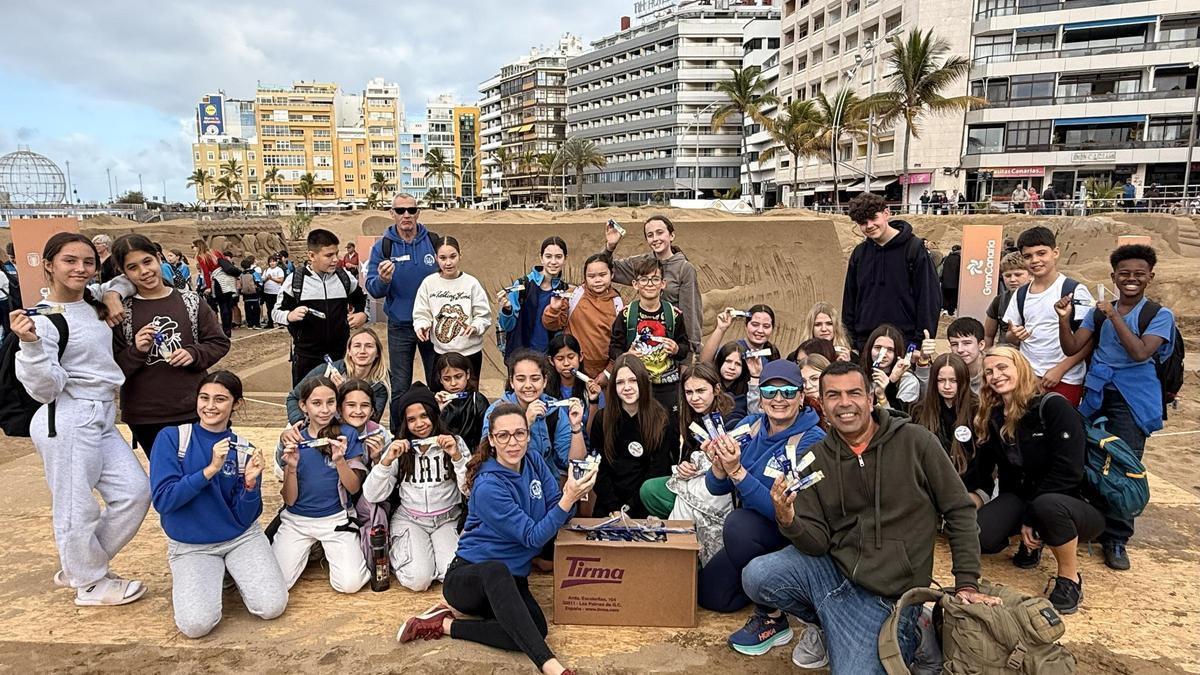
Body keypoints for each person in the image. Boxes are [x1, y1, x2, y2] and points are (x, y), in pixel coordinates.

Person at [739, 361, 991, 671]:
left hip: (889, 594)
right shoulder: (815, 458)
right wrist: (788, 518)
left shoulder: (916, 442)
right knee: (757, 576)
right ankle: (829, 623)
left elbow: (959, 510)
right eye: (833, 395)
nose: (844, 403)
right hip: (835, 574)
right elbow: (816, 543)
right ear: (822, 404)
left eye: (854, 393)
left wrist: (967, 583)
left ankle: (914, 627)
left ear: (870, 399)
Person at [396, 403, 594, 675]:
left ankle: (444, 625)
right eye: (503, 436)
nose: (513, 443)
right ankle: (553, 668)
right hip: (469, 579)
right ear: (491, 439)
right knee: (497, 571)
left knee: (536, 628)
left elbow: (558, 507)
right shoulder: (489, 485)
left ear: (528, 435)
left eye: (519, 434)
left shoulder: (533, 459)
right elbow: (533, 537)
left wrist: (569, 497)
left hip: (511, 578)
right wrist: (567, 499)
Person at [10, 232, 151, 606]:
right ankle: (89, 583)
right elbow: (44, 389)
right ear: (49, 265)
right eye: (70, 261)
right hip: (68, 415)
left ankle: (80, 566)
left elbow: (124, 280)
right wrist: (31, 346)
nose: (81, 269)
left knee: (135, 493)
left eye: (88, 262)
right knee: (76, 506)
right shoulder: (41, 321)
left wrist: (111, 292)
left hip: (102, 413)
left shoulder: (91, 300)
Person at [1056, 244, 1176, 571]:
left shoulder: (1158, 315)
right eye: (1124, 274)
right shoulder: (1099, 312)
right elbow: (1072, 346)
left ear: (1150, 277)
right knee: (1084, 454)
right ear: (1113, 276)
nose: (1131, 279)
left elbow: (1139, 352)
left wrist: (1113, 315)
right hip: (1097, 390)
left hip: (1133, 397)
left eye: (1139, 274)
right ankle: (1090, 523)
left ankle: (1117, 538)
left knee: (1124, 463)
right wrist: (1064, 320)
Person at [149, 371, 288, 638]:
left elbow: (247, 515)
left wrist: (249, 485)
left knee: (272, 606)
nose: (210, 406)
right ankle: (214, 574)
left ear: (236, 404)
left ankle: (230, 571)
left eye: (220, 399)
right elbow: (164, 500)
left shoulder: (243, 448)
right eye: (204, 397)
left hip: (239, 538)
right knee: (196, 626)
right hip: (191, 545)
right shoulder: (173, 438)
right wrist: (209, 470)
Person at [973, 347, 1104, 614]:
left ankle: (1069, 578)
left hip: (1073, 504)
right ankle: (1032, 542)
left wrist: (1030, 518)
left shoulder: (1053, 407)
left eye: (1002, 368)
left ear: (1020, 368)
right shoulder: (996, 415)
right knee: (982, 535)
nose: (995, 376)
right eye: (989, 372)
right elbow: (997, 472)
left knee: (1048, 506)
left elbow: (1069, 472)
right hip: (1027, 499)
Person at [701, 360, 825, 621]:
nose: (779, 399)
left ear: (801, 397)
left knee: (737, 524)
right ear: (761, 397)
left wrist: (738, 472)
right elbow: (716, 487)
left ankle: (773, 610)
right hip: (752, 538)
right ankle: (760, 583)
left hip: (788, 535)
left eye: (788, 392)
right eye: (770, 391)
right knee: (710, 594)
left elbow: (780, 509)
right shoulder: (751, 425)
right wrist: (720, 467)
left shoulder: (812, 439)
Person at [110, 234, 230, 455]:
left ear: (158, 258)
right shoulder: (120, 312)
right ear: (123, 273)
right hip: (145, 415)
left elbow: (219, 343)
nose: (144, 271)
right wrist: (136, 350)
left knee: (205, 472)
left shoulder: (191, 301)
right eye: (133, 267)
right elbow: (113, 367)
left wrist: (193, 353)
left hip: (195, 409)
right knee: (168, 479)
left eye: (147, 262)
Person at [363, 384, 470, 591]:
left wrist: (456, 457)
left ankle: (429, 556)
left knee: (452, 574)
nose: (419, 424)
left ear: (434, 414)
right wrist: (385, 462)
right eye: (411, 419)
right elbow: (372, 494)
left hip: (447, 519)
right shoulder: (398, 447)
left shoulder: (454, 442)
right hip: (411, 519)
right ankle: (407, 553)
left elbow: (470, 491)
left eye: (424, 416)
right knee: (418, 581)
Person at [273, 376, 371, 593]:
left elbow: (354, 488)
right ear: (303, 406)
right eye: (316, 403)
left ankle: (326, 549)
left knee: (350, 584)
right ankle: (311, 549)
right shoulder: (293, 439)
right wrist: (290, 467)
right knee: (277, 584)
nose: (325, 410)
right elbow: (289, 500)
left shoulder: (347, 434)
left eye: (330, 402)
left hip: (335, 519)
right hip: (297, 520)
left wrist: (339, 461)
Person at [365, 193, 441, 430]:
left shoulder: (434, 241)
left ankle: (439, 431)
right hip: (399, 325)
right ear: (392, 214)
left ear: (418, 212)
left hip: (431, 326)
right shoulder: (382, 247)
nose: (406, 215)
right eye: (400, 210)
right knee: (399, 386)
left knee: (437, 383)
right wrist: (384, 280)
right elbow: (373, 289)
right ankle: (398, 436)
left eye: (411, 209)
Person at [639, 363, 739, 540]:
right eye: (689, 392)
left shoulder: (732, 416)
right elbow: (688, 454)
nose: (694, 398)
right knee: (649, 490)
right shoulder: (689, 414)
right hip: (694, 480)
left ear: (716, 390)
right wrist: (684, 465)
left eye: (701, 391)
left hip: (722, 487)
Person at [1003, 226, 1093, 406]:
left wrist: (1060, 370)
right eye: (1028, 256)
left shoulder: (1075, 291)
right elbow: (1010, 335)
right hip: (1027, 378)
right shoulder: (1020, 294)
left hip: (1066, 379)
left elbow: (1089, 340)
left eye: (1041, 253)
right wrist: (1015, 334)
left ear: (1055, 253)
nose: (1035, 260)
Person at [842, 193, 941, 352]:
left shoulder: (914, 249)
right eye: (863, 222)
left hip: (904, 344)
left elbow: (928, 299)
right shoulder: (859, 254)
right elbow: (850, 300)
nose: (869, 225)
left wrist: (918, 344)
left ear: (886, 213)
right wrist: (850, 341)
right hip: (865, 345)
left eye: (873, 218)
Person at [273, 228, 369, 386]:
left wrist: (362, 315)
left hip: (341, 354)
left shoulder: (344, 277)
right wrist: (289, 316)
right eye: (329, 255)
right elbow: (276, 312)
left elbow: (362, 300)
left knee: (340, 401)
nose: (335, 260)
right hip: (306, 356)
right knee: (305, 400)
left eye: (336, 253)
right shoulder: (296, 281)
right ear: (311, 255)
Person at [589, 355, 679, 518]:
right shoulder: (602, 419)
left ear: (643, 382)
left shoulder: (661, 418)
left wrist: (629, 509)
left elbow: (659, 470)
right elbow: (599, 469)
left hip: (645, 505)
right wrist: (614, 508)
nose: (627, 387)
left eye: (633, 380)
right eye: (620, 382)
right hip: (610, 506)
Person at [603, 215, 703, 355]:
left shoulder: (684, 269)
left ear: (671, 235)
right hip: (642, 344)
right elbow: (605, 270)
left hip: (671, 347)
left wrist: (690, 352)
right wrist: (610, 247)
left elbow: (691, 312)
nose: (655, 238)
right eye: (650, 235)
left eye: (660, 232)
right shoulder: (643, 263)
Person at [482, 350, 586, 476]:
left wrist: (576, 427)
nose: (528, 385)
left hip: (546, 484)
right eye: (521, 379)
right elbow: (487, 455)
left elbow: (574, 462)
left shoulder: (554, 409)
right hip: (507, 481)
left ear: (545, 381)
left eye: (535, 379)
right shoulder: (496, 411)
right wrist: (526, 422)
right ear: (511, 382)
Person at [608, 257, 691, 414]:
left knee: (668, 429)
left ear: (663, 284)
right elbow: (613, 348)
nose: (650, 284)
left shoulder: (674, 315)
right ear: (635, 284)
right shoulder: (625, 315)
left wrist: (676, 349)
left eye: (655, 279)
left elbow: (685, 347)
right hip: (635, 385)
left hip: (666, 385)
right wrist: (626, 355)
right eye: (644, 279)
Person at [913, 353, 990, 507]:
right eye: (941, 380)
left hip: (973, 485)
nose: (947, 386)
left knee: (960, 508)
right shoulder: (921, 411)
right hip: (932, 486)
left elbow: (984, 463)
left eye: (953, 381)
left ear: (963, 380)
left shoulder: (979, 410)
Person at [413, 235, 491, 383]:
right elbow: (421, 312)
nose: (448, 263)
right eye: (443, 258)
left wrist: (475, 327)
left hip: (470, 353)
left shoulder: (471, 283)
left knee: (468, 397)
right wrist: (422, 325)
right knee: (442, 397)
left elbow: (483, 315)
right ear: (436, 258)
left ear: (460, 255)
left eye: (452, 257)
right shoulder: (429, 283)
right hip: (441, 353)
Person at [541, 252, 624, 382]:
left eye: (602, 275)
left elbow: (620, 340)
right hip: (574, 368)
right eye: (591, 276)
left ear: (611, 275)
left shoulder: (617, 302)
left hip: (604, 371)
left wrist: (608, 372)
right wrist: (553, 310)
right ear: (584, 277)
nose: (597, 280)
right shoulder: (574, 296)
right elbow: (551, 325)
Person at [286, 327, 389, 425]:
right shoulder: (326, 371)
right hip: (314, 427)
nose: (362, 351)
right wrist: (299, 422)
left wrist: (341, 393)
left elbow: (369, 422)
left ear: (377, 353)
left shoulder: (380, 385)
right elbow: (294, 397)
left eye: (369, 346)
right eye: (357, 346)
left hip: (352, 436)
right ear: (349, 351)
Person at [497, 236, 569, 358]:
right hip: (520, 356)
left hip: (550, 358)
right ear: (541, 258)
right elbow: (507, 326)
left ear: (565, 259)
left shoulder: (565, 291)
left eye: (558, 257)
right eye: (548, 256)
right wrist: (507, 309)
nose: (553, 261)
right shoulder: (522, 285)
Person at [435, 352, 491, 451]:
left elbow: (486, 434)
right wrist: (436, 410)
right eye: (447, 379)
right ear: (440, 379)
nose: (453, 383)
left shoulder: (478, 400)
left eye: (458, 376)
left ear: (467, 374)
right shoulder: (435, 402)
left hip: (473, 454)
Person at [860, 324, 920, 412]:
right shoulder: (860, 375)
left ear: (897, 353)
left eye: (890, 350)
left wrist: (890, 383)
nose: (882, 354)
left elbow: (899, 418)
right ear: (869, 349)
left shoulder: (908, 381)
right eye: (878, 348)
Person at [700, 304, 781, 367]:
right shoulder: (733, 349)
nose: (760, 330)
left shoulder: (773, 354)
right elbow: (704, 364)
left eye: (766, 326)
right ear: (746, 326)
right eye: (755, 324)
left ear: (772, 329)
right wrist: (720, 329)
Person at [984, 252, 1031, 348]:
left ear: (1030, 275)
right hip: (1005, 354)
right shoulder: (999, 301)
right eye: (1008, 276)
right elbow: (988, 336)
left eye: (1018, 275)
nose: (1012, 279)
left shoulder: (1042, 298)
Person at [945, 317, 986, 395]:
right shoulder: (947, 366)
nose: (960, 349)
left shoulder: (994, 369)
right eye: (954, 344)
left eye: (966, 343)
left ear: (981, 345)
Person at [238, 257, 262, 330]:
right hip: (254, 293)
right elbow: (260, 282)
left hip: (245, 294)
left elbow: (240, 284)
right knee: (256, 309)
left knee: (247, 309)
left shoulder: (242, 274)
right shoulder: (254, 273)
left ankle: (250, 324)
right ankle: (257, 324)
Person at [262, 255, 285, 329]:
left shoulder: (279, 270)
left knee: (277, 307)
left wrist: (271, 278)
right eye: (270, 262)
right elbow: (263, 280)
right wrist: (267, 278)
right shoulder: (266, 270)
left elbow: (281, 280)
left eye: (273, 261)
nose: (272, 263)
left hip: (276, 291)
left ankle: (279, 323)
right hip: (267, 291)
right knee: (269, 308)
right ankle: (270, 322)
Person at [940, 245, 961, 315]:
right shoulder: (959, 259)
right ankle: (950, 311)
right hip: (954, 282)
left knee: (946, 296)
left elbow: (942, 269)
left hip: (945, 281)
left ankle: (945, 309)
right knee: (953, 297)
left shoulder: (947, 257)